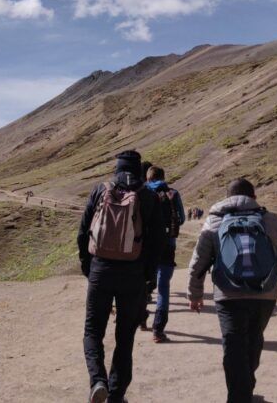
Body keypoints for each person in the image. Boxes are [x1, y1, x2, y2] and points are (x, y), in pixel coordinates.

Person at [188, 178, 277, 403]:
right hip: (265, 295)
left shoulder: (213, 222)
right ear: (254, 197)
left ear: (227, 197)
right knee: (253, 341)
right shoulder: (271, 220)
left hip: (227, 296)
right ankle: (244, 391)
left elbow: (197, 263)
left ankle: (239, 396)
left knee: (233, 347)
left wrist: (195, 295)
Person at [78, 150, 165, 403]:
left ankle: (97, 381)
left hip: (100, 270)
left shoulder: (100, 190)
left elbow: (83, 232)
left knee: (93, 331)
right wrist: (148, 276)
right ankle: (116, 395)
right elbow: (157, 241)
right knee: (125, 336)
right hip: (133, 275)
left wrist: (89, 267)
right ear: (138, 170)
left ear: (116, 168)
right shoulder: (148, 196)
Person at [145, 166, 184, 343]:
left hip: (145, 247)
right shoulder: (173, 194)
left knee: (143, 284)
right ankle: (158, 330)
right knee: (163, 288)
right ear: (163, 177)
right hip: (168, 245)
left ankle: (141, 319)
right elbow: (181, 218)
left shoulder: (142, 192)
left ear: (148, 178)